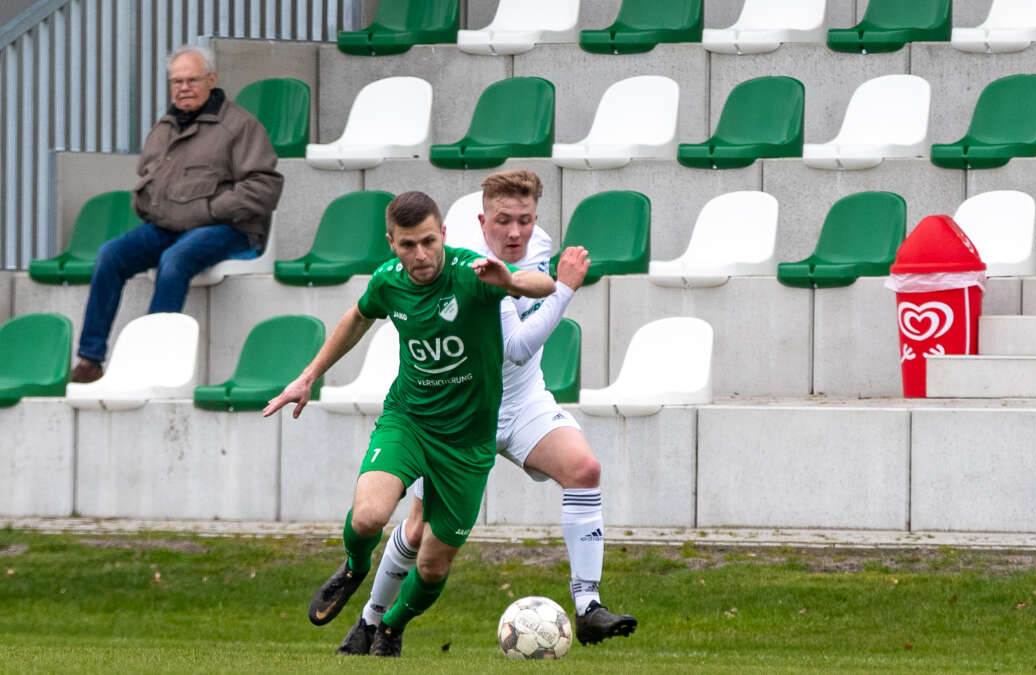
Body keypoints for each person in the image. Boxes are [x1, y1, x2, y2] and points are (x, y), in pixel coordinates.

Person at [336, 169, 636, 656]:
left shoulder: (539, 245)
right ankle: (372, 619)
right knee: (417, 531)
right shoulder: (470, 265)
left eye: (524, 220)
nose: (514, 233)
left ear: (535, 218)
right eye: (503, 221)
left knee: (585, 468)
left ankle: (587, 607)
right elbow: (515, 346)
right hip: (456, 413)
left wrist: (552, 282)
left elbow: (521, 355)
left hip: (520, 404)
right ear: (482, 220)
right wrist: (564, 289)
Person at [263, 190, 555, 657]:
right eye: (406, 246)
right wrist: (308, 376)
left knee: (434, 564)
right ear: (391, 243)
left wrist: (512, 282)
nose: (419, 256)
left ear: (442, 234)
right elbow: (357, 317)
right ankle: (356, 566)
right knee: (368, 517)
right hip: (410, 420)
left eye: (427, 242)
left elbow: (541, 286)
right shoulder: (388, 281)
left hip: (467, 441)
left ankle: (392, 627)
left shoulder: (472, 273)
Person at [71, 44, 283, 383]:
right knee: (110, 255)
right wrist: (144, 204)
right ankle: (90, 359)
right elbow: (148, 179)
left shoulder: (240, 126)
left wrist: (211, 209)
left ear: (212, 80)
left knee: (175, 259)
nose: (183, 88)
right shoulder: (164, 127)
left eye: (192, 80)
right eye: (176, 81)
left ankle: (150, 361)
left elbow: (264, 187)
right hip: (168, 226)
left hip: (226, 228)